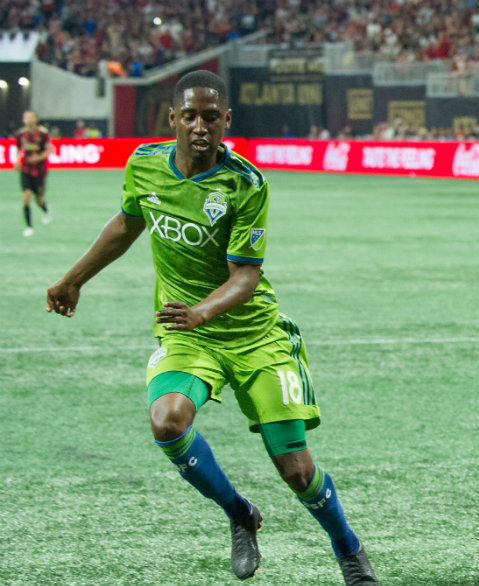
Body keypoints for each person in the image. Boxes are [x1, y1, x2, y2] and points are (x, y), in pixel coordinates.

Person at [44, 71, 379, 586]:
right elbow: (127, 223)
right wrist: (73, 280)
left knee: (296, 471)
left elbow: (246, 275)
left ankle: (347, 546)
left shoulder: (246, 184)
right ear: (173, 118)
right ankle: (239, 512)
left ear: (226, 121)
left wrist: (201, 309)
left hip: (255, 335)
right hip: (188, 334)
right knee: (167, 420)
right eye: (190, 116)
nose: (200, 126)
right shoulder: (144, 166)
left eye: (210, 116)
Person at [15, 110, 52, 237]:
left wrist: (38, 158)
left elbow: (49, 149)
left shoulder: (42, 133)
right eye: (26, 117)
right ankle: (29, 226)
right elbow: (18, 149)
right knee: (26, 198)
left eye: (31, 117)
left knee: (38, 200)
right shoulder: (20, 134)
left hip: (40, 171)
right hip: (25, 170)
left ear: (36, 119)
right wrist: (17, 161)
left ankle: (46, 208)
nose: (29, 119)